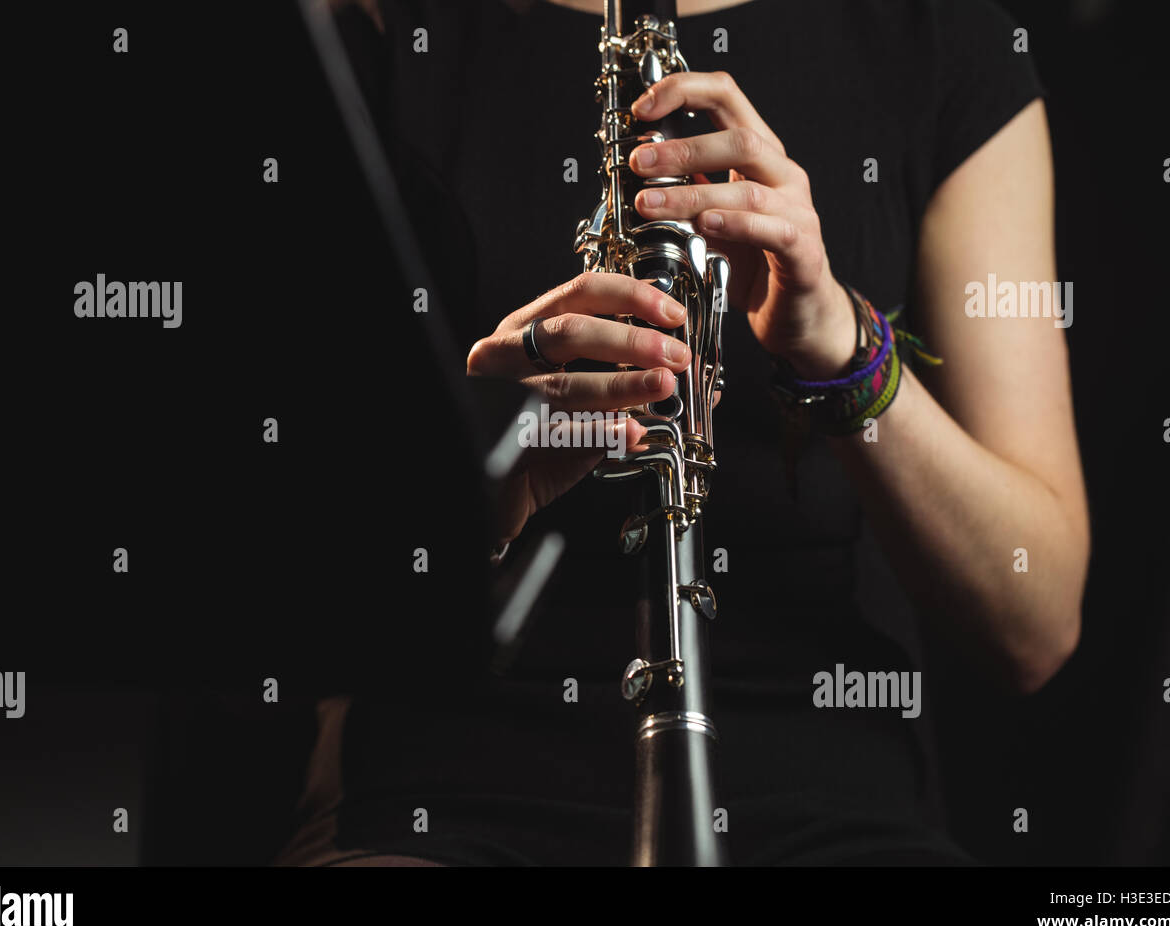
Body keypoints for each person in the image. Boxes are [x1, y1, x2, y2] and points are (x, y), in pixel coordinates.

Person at [275, 0, 1089, 866]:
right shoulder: (371, 25)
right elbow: (265, 581)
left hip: (833, 805)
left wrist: (843, 349)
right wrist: (494, 476)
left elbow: (1034, 621)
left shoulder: (939, 37)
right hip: (444, 796)